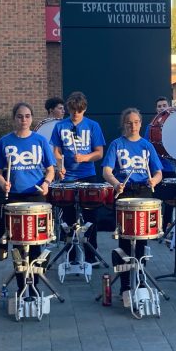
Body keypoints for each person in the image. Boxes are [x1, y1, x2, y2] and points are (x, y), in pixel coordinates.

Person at [0, 102, 56, 294]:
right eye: (20, 116)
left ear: (32, 118)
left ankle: (34, 285)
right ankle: (22, 285)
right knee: (18, 243)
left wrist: (46, 183)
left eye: (27, 116)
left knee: (36, 241)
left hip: (36, 196)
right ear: (14, 118)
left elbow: (51, 170)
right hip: (15, 198)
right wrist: (3, 183)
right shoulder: (5, 141)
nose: (24, 120)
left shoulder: (40, 141)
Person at [103, 108, 163, 292]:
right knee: (125, 239)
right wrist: (115, 183)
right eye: (129, 122)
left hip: (144, 193)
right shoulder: (117, 144)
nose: (133, 126)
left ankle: (140, 279)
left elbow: (158, 172)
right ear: (124, 124)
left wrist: (154, 180)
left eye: (136, 122)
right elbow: (106, 171)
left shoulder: (147, 145)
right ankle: (125, 284)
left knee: (142, 239)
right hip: (125, 194)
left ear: (140, 123)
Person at [50, 91, 106, 263]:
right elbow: (56, 151)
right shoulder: (60, 126)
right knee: (68, 218)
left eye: (79, 110)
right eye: (73, 110)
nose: (76, 113)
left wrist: (85, 157)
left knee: (90, 217)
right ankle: (71, 255)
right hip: (68, 177)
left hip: (87, 175)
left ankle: (91, 255)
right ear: (68, 108)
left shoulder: (93, 126)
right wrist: (60, 166)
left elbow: (99, 153)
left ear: (84, 109)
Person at [143, 96, 176, 230]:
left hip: (170, 168)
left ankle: (167, 226)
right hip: (156, 169)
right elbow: (146, 146)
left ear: (169, 106)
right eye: (159, 106)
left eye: (164, 105)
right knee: (155, 199)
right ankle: (154, 226)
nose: (162, 108)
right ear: (156, 109)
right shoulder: (150, 127)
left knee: (170, 201)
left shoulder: (174, 125)